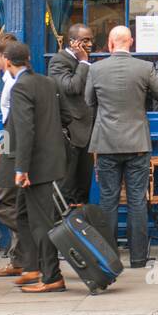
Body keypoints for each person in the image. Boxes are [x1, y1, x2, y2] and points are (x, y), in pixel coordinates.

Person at [85, 25, 158, 268]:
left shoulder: (96, 68)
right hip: (137, 142)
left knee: (108, 201)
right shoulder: (145, 68)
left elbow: (88, 101)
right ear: (131, 42)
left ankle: (108, 258)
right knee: (137, 201)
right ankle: (138, 258)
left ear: (111, 44)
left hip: (106, 143)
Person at [4, 41, 70, 294]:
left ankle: (52, 276)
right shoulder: (46, 82)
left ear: (8, 62)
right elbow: (65, 116)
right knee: (23, 215)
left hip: (36, 167)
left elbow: (25, 130)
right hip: (53, 160)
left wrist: (22, 168)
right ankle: (32, 267)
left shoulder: (20, 87)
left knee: (42, 223)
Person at [0, 33, 27, 278]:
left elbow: (17, 123)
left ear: (5, 56)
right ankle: (19, 259)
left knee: (2, 203)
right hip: (10, 144)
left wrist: (7, 151)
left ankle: (31, 237)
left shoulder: (15, 83)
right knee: (14, 203)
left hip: (13, 147)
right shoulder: (7, 79)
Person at [47, 24, 96, 206]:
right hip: (70, 134)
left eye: (91, 39)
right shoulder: (59, 61)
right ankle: (61, 232)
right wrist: (83, 62)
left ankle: (79, 231)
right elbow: (71, 88)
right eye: (85, 40)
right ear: (73, 42)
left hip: (86, 133)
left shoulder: (84, 62)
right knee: (66, 190)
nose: (90, 44)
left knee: (82, 190)